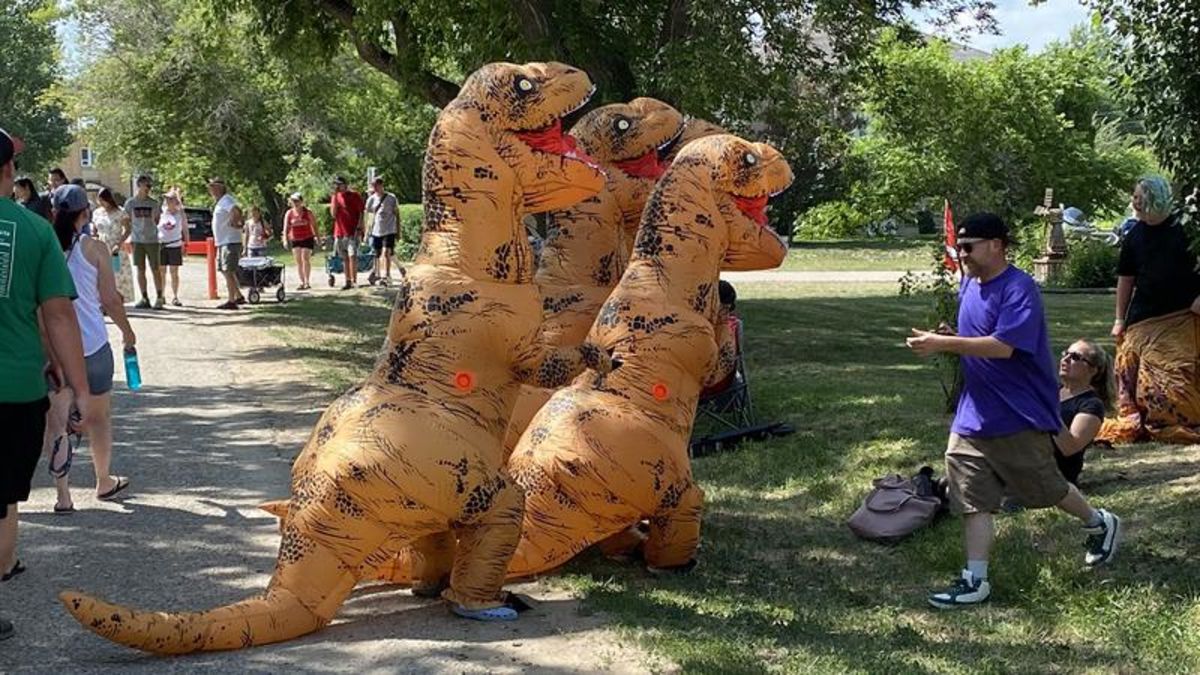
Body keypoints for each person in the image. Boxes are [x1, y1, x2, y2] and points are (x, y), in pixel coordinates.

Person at [906, 212, 1121, 609]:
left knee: (1045, 489)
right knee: (971, 495)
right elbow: (979, 337)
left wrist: (944, 344)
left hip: (1016, 412)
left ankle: (1099, 522)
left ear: (996, 246)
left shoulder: (1019, 288)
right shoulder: (968, 282)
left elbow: (1005, 345)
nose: (962, 254)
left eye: (968, 247)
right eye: (959, 247)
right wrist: (954, 337)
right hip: (975, 411)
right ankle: (976, 580)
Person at [0, 129, 94, 642]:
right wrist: (78, 388)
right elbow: (58, 315)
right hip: (13, 388)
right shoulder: (33, 231)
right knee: (4, 503)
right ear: (10, 173)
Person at [43, 184, 137, 511]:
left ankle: (63, 495)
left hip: (54, 348)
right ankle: (103, 480)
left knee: (58, 422)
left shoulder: (45, 248)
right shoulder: (95, 249)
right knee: (98, 417)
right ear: (85, 214)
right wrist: (127, 332)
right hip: (92, 345)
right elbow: (110, 300)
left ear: (54, 212)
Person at [1101, 175, 1200, 443]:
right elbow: (1126, 279)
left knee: (1170, 381)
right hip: (1143, 317)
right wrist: (1119, 318)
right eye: (1134, 196)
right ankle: (1138, 418)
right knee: (1128, 366)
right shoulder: (1134, 235)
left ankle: (1175, 420)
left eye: (1139, 196)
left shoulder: (1187, 228)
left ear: (1155, 197)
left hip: (1181, 316)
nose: (1134, 201)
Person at [1053, 339, 1113, 485]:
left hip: (1055, 475)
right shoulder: (1052, 391)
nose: (1065, 359)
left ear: (1093, 370)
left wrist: (1048, 411)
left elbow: (1070, 448)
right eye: (1065, 353)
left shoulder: (1091, 404)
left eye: (1075, 357)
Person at [124, 175, 165, 309]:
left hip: (152, 240)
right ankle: (144, 297)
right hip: (137, 240)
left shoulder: (154, 203)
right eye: (146, 185)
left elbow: (158, 220)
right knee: (140, 269)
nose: (148, 188)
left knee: (155, 269)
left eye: (150, 186)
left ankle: (159, 297)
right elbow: (127, 220)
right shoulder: (130, 203)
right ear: (139, 185)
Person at [92, 188, 134, 305]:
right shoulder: (97, 213)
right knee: (102, 275)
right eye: (99, 200)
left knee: (117, 275)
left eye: (103, 200)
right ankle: (103, 302)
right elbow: (94, 230)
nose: (101, 203)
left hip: (116, 248)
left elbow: (127, 229)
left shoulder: (120, 212)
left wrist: (119, 243)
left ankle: (118, 301)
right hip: (101, 247)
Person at [208, 177, 245, 310]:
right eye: (210, 186)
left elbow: (236, 210)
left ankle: (231, 300)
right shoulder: (219, 202)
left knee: (228, 270)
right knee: (223, 270)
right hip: (222, 241)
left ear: (220, 187)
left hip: (229, 240)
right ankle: (238, 295)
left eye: (213, 186)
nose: (211, 189)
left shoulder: (226, 200)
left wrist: (235, 223)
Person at [329, 176, 364, 289]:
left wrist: (359, 226)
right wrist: (334, 197)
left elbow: (361, 212)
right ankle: (347, 280)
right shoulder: (336, 197)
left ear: (345, 184)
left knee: (352, 255)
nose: (338, 187)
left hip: (352, 231)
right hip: (340, 232)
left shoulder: (354, 196)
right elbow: (333, 214)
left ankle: (354, 280)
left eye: (340, 184)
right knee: (344, 257)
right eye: (336, 185)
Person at [365, 178, 399, 285]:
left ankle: (387, 275)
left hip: (389, 229)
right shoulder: (371, 199)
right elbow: (368, 214)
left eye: (376, 185)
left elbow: (397, 214)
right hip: (376, 230)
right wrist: (367, 230)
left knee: (387, 252)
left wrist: (398, 229)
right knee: (377, 253)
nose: (375, 188)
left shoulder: (391, 198)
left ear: (381, 185)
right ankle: (376, 273)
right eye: (373, 186)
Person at [157, 192, 187, 306]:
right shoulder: (161, 213)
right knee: (161, 272)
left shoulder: (180, 214)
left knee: (174, 272)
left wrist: (186, 243)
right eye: (167, 199)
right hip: (162, 244)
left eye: (171, 199)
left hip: (175, 245)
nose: (169, 202)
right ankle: (162, 295)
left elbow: (185, 229)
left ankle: (175, 296)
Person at [283, 192, 317, 290]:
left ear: (301, 202)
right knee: (298, 260)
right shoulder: (289, 213)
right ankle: (301, 282)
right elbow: (286, 228)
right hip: (295, 238)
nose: (295, 203)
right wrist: (285, 240)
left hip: (307, 237)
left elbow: (314, 225)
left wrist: (317, 238)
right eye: (293, 201)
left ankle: (307, 281)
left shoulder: (308, 212)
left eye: (297, 201)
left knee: (305, 258)